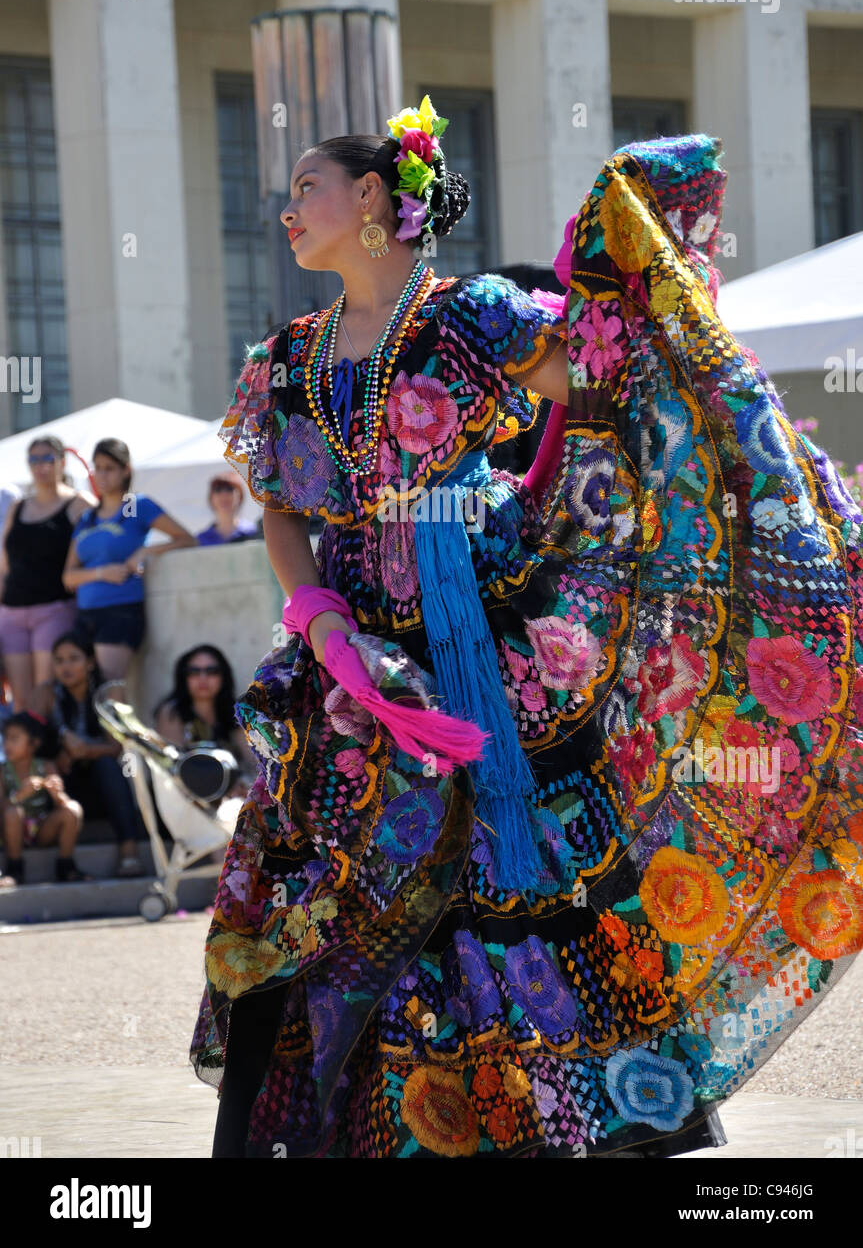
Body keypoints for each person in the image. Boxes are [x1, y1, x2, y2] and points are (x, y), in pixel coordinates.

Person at [189, 96, 863, 1159]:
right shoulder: (283, 361)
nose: (287, 210)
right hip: (347, 666)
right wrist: (327, 637)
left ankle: (538, 1123)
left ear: (372, 198)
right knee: (328, 884)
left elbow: (601, 393)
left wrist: (618, 269)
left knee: (507, 878)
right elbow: (281, 512)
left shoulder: (472, 318)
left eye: (305, 187)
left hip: (485, 643)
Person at [62, 438, 197, 682]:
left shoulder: (136, 505)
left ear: (126, 470)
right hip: (85, 613)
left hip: (120, 611)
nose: (102, 475)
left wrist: (146, 552)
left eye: (109, 468)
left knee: (109, 687)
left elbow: (187, 539)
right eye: (98, 468)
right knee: (83, 687)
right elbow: (68, 576)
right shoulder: (87, 517)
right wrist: (102, 573)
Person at [28, 629, 146, 877]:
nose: (66, 667)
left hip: (103, 788)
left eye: (73, 658)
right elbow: (32, 742)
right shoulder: (46, 693)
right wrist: (61, 739)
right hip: (63, 787)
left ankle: (129, 853)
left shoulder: (110, 692)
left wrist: (84, 751)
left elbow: (119, 746)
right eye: (59, 661)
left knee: (109, 767)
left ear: (90, 662)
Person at [0, 436, 98, 710]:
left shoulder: (79, 503)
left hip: (54, 607)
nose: (40, 466)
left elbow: (104, 541)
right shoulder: (18, 506)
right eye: (34, 460)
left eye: (47, 458)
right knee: (20, 700)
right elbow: (4, 565)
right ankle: (27, 754)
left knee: (45, 695)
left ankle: (49, 751)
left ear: (61, 462)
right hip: (12, 611)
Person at [153, 644, 259, 790]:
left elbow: (254, 761)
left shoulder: (235, 712)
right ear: (184, 677)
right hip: (185, 797)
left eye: (212, 671)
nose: (203, 678)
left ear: (223, 676)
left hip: (234, 795)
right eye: (194, 672)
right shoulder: (172, 712)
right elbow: (170, 768)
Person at [0, 710, 88, 887]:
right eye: (6, 738)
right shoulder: (3, 771)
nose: (7, 744)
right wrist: (19, 796)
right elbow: (2, 807)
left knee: (73, 809)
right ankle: (14, 869)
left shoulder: (46, 766)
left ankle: (66, 866)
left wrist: (58, 794)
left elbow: (62, 804)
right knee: (12, 812)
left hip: (41, 830)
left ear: (34, 743)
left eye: (14, 739)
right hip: (10, 830)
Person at [196, 472, 261, 546]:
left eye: (229, 489)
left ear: (240, 496)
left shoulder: (255, 533)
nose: (224, 494)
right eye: (218, 489)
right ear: (211, 498)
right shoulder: (200, 540)